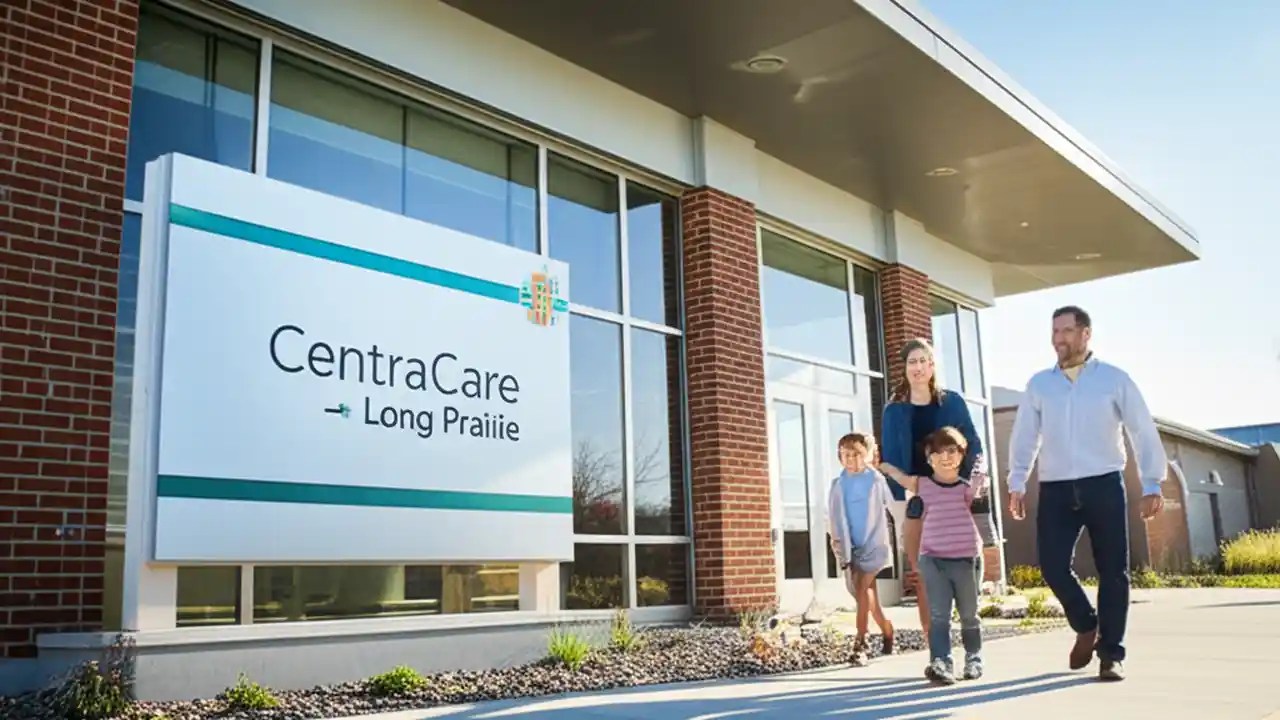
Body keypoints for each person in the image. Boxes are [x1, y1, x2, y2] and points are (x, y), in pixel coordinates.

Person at [1006, 306, 1166, 682]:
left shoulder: (1113, 379)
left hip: (1104, 482)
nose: (1057, 339)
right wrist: (1016, 480)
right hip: (1057, 485)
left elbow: (1142, 429)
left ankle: (1111, 654)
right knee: (1052, 565)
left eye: (1065, 331)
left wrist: (1153, 482)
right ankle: (1086, 622)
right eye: (1054, 332)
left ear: (1086, 334)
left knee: (1114, 571)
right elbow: (1026, 435)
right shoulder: (1039, 385)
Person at [881, 339, 988, 638]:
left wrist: (971, 480)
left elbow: (974, 445)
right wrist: (902, 493)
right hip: (915, 496)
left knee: (958, 564)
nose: (917, 368)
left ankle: (961, 625)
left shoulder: (952, 402)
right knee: (923, 571)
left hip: (951, 492)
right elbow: (890, 459)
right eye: (911, 362)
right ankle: (934, 642)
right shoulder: (894, 410)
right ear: (904, 369)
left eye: (922, 361)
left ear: (932, 365)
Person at [881, 426, 986, 685]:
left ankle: (974, 659)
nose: (945, 457)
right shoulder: (923, 485)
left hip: (966, 559)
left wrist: (981, 473)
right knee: (939, 615)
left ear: (961, 456)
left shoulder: (966, 489)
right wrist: (884, 467)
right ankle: (940, 661)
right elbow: (901, 478)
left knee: (970, 614)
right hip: (933, 560)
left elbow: (981, 484)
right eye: (938, 452)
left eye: (952, 451)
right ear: (929, 459)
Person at [827, 432, 896, 662]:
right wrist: (838, 546)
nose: (851, 459)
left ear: (866, 455)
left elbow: (893, 507)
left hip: (873, 544)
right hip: (851, 546)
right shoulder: (838, 484)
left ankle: (861, 643)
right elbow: (834, 518)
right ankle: (887, 630)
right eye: (846, 455)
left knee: (862, 588)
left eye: (857, 454)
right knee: (866, 597)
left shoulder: (875, 480)